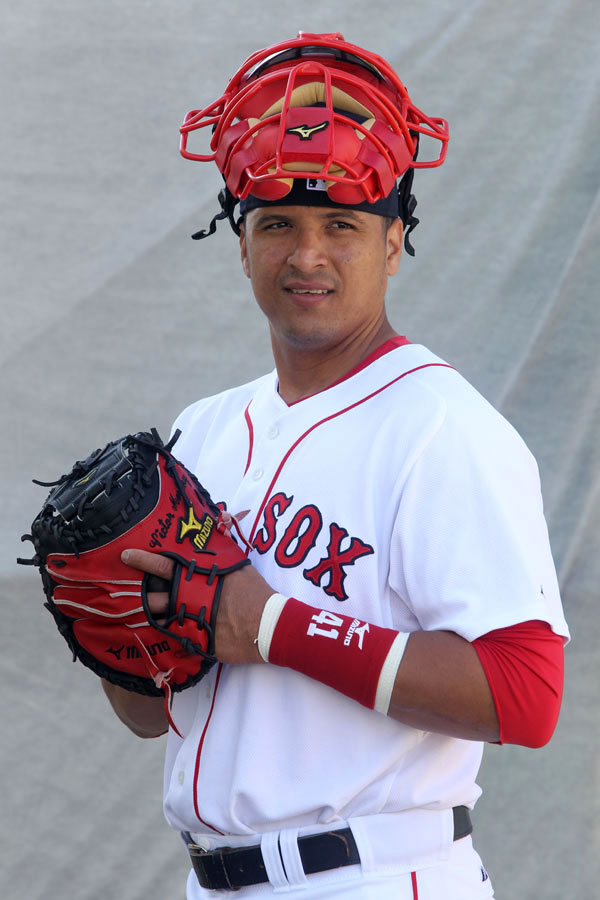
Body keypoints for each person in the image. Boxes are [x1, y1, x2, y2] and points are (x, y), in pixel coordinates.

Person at [102, 33, 569, 899]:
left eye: (342, 225)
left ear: (394, 243)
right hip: (213, 878)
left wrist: (271, 624)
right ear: (241, 241)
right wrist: (120, 643)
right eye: (277, 223)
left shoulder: (443, 428)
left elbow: (526, 692)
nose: (306, 255)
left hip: (378, 874)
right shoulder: (204, 432)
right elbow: (150, 713)